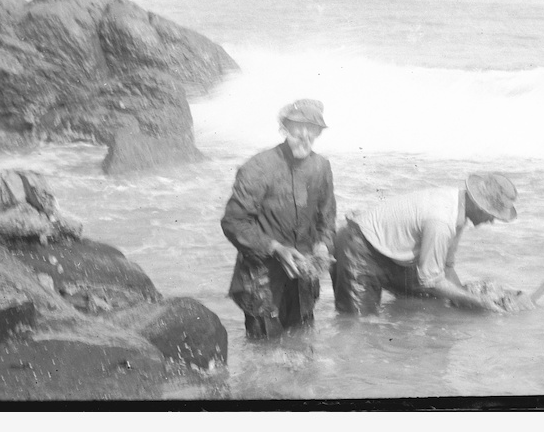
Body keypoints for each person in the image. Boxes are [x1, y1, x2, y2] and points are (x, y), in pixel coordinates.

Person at [221, 99, 337, 339]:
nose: (304, 136)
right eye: (297, 128)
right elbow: (233, 222)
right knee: (265, 357)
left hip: (303, 284)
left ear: (317, 133)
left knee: (302, 349)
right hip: (262, 283)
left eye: (311, 129)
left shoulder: (321, 167)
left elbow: (326, 221)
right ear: (285, 128)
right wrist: (274, 248)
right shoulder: (258, 168)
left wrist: (324, 247)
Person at [331, 172, 518, 315]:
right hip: (357, 249)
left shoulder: (456, 206)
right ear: (479, 206)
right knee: (359, 326)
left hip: (386, 253)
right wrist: (476, 300)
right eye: (492, 215)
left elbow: (446, 267)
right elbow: (431, 279)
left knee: (431, 300)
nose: (492, 221)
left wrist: (464, 299)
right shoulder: (442, 221)